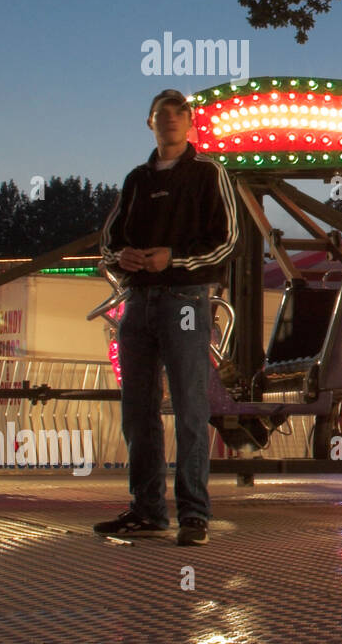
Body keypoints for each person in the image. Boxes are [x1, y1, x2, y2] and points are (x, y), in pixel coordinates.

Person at [94, 89, 239, 546]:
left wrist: (172, 259)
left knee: (190, 406)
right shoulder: (136, 179)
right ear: (150, 122)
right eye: (162, 114)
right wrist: (125, 258)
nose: (170, 120)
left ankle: (194, 514)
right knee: (138, 410)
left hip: (186, 301)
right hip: (138, 303)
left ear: (190, 122)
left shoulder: (209, 172)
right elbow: (108, 243)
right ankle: (148, 510)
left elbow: (227, 240)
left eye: (178, 113)